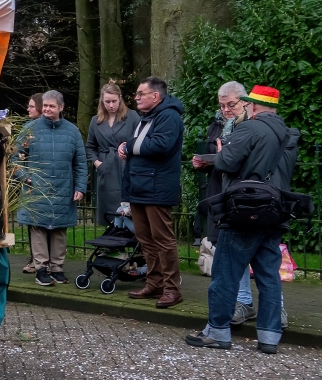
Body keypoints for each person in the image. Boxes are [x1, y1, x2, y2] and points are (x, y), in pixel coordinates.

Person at [186, 85, 295, 354]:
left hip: (245, 210)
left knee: (226, 273)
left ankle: (218, 331)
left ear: (253, 106)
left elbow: (228, 163)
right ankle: (269, 337)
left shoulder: (249, 129)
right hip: (274, 210)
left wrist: (222, 152)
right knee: (269, 275)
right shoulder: (288, 134)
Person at [119, 76, 185, 308]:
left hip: (156, 187)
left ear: (155, 96)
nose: (136, 97)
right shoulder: (148, 117)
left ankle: (171, 289)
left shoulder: (168, 116)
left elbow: (160, 146)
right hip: (140, 186)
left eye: (140, 93)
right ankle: (154, 283)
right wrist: (128, 146)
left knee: (163, 240)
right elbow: (139, 143)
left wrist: (128, 146)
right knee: (146, 239)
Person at [14, 90, 87, 286]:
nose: (46, 109)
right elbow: (16, 158)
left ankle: (57, 267)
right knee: (38, 228)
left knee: (59, 229)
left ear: (61, 108)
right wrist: (27, 178)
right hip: (36, 188)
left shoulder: (72, 131)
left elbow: (80, 162)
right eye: (44, 105)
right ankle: (41, 268)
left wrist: (80, 186)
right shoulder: (29, 130)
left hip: (63, 187)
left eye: (51, 106)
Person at [192, 82, 247, 246]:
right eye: (222, 106)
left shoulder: (249, 125)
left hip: (239, 190)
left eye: (231, 105)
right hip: (217, 188)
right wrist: (203, 164)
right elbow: (212, 152)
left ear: (244, 102)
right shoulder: (216, 124)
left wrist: (223, 156)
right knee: (219, 241)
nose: (225, 110)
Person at [85, 83, 139, 226]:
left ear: (120, 99)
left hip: (127, 165)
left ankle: (130, 239)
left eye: (114, 101)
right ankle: (111, 238)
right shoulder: (95, 121)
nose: (111, 105)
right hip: (106, 167)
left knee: (128, 208)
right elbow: (90, 147)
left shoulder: (132, 116)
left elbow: (140, 140)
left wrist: (128, 149)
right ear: (102, 101)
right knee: (109, 210)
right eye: (107, 101)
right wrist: (98, 164)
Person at [20, 92, 43, 273]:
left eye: (31, 106)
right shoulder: (28, 128)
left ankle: (40, 260)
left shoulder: (31, 129)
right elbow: (19, 155)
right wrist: (25, 175)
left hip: (38, 179)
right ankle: (35, 258)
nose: (28, 109)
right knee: (33, 221)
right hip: (31, 181)